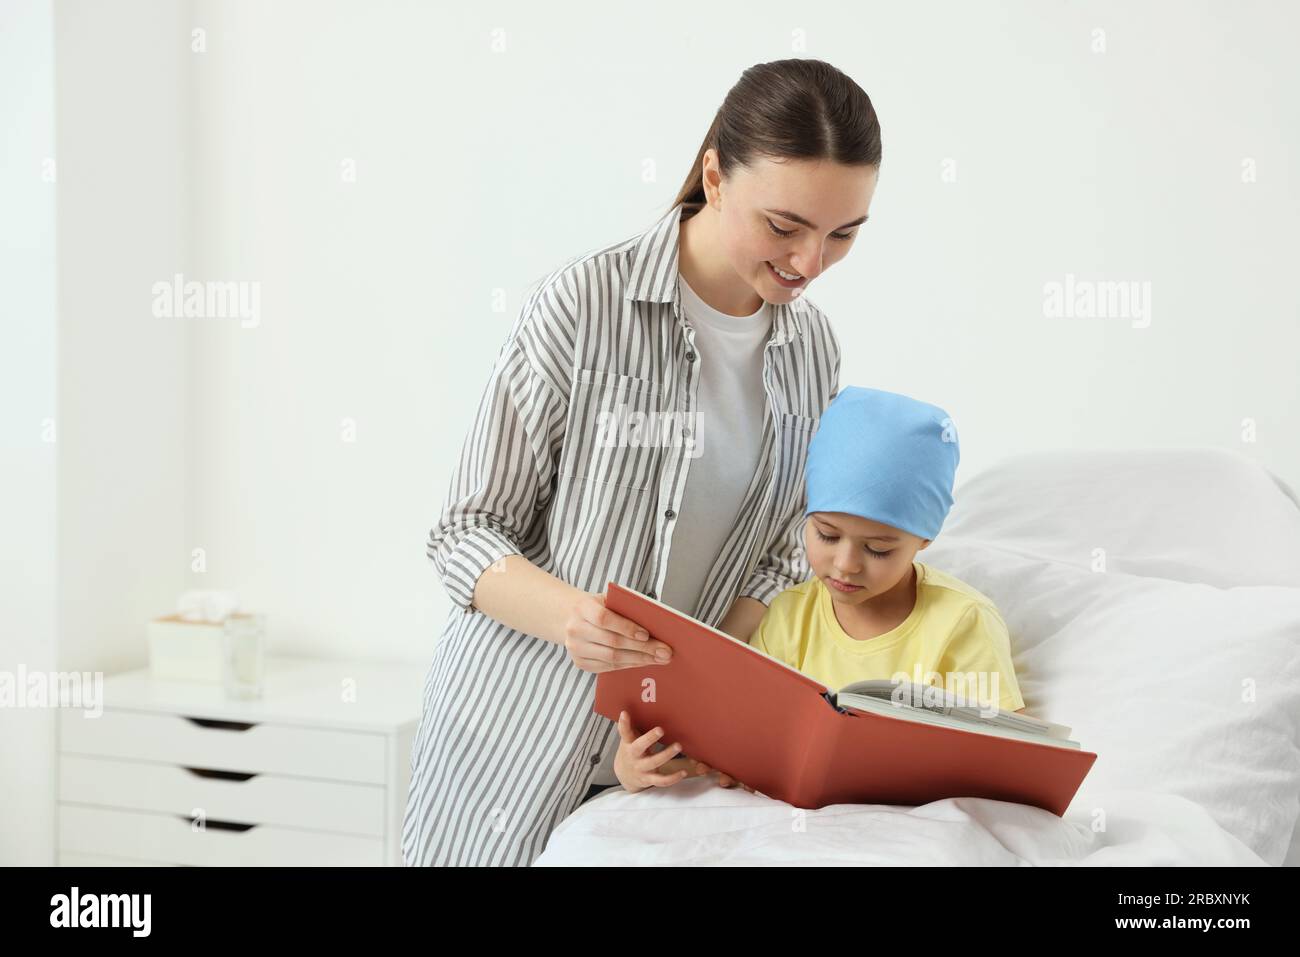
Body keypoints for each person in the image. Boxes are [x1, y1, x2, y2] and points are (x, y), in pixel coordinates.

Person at [402, 58, 881, 865]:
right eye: (785, 226)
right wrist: (575, 620)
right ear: (715, 177)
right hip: (510, 737)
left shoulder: (813, 352)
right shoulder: (584, 306)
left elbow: (776, 551)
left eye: (842, 235)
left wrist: (708, 687)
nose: (809, 263)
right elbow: (464, 534)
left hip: (657, 762)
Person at [612, 387, 1026, 795]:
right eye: (827, 536)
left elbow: (1010, 757)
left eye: (878, 549)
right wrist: (637, 768)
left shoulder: (963, 620)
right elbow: (742, 735)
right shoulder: (790, 615)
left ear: (924, 540)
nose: (846, 564)